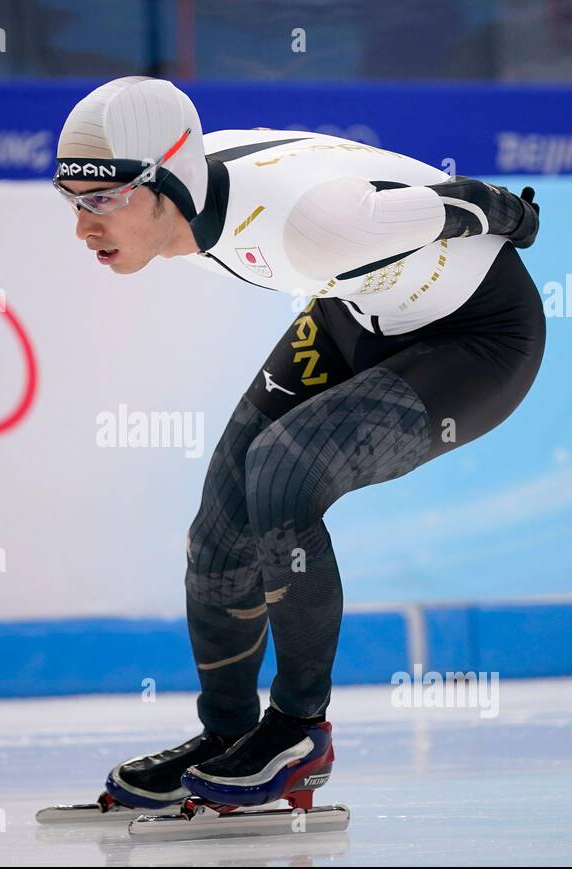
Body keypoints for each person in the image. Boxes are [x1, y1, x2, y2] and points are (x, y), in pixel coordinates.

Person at [54, 76, 545, 814]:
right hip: (359, 309)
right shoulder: (186, 196)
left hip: (476, 338)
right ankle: (227, 735)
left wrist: (512, 212)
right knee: (221, 521)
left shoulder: (313, 225)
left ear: (164, 186)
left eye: (103, 199)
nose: (84, 225)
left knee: (283, 469)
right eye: (73, 199)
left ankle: (298, 731)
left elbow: (472, 204)